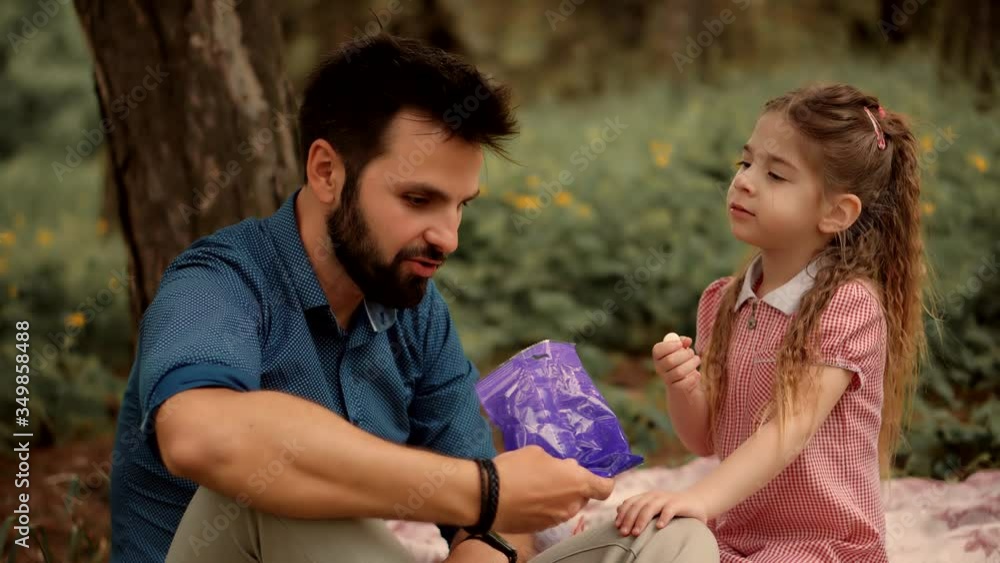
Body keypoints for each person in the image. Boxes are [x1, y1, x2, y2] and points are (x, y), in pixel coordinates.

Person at [108, 34, 616, 563]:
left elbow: (487, 522)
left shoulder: (416, 311)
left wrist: (485, 527)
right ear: (326, 172)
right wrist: (482, 491)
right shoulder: (219, 283)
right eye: (417, 199)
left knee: (658, 537)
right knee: (269, 476)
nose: (448, 238)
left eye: (460, 206)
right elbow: (200, 437)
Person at [587, 83, 926, 562]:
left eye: (776, 175)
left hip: (822, 545)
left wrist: (699, 499)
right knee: (638, 539)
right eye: (745, 163)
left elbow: (790, 427)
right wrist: (683, 386)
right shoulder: (723, 301)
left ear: (836, 212)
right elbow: (704, 438)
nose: (744, 181)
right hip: (736, 538)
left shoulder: (848, 306)